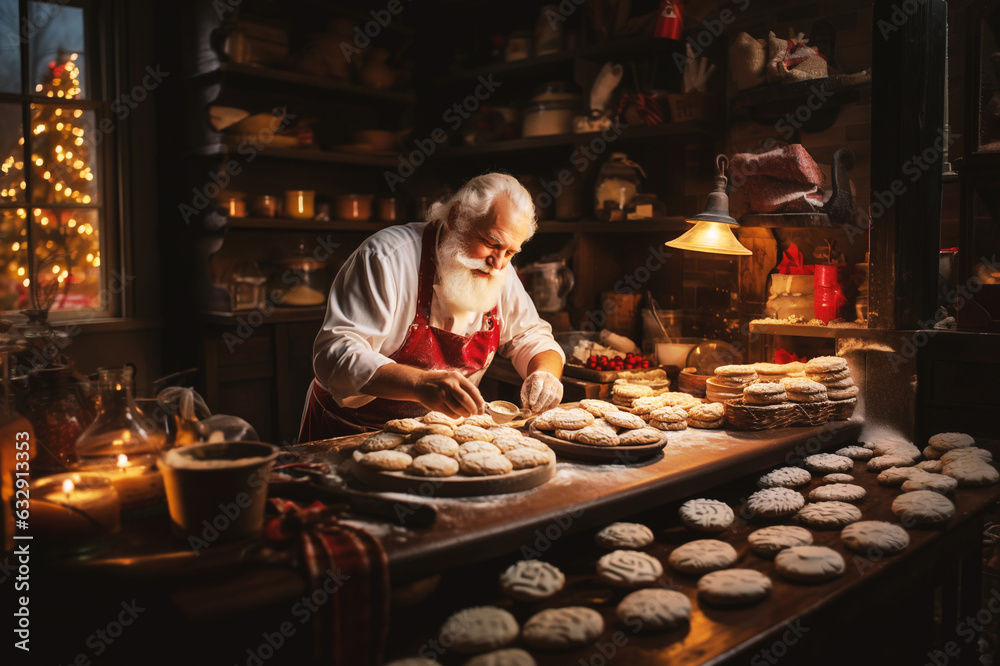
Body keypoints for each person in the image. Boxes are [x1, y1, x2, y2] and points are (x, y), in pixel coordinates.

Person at [299, 173, 566, 442]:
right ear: (455, 219)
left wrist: (544, 374)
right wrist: (420, 384)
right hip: (349, 432)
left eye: (510, 253)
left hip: (439, 438)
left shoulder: (498, 270)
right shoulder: (386, 257)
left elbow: (531, 336)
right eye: (490, 243)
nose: (498, 264)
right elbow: (335, 354)